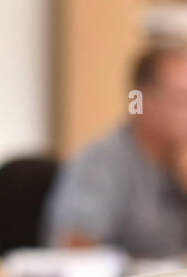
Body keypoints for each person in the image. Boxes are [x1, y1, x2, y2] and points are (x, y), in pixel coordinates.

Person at [45, 42, 187, 258]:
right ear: (142, 102)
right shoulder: (102, 163)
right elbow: (74, 249)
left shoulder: (179, 160)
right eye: (180, 100)